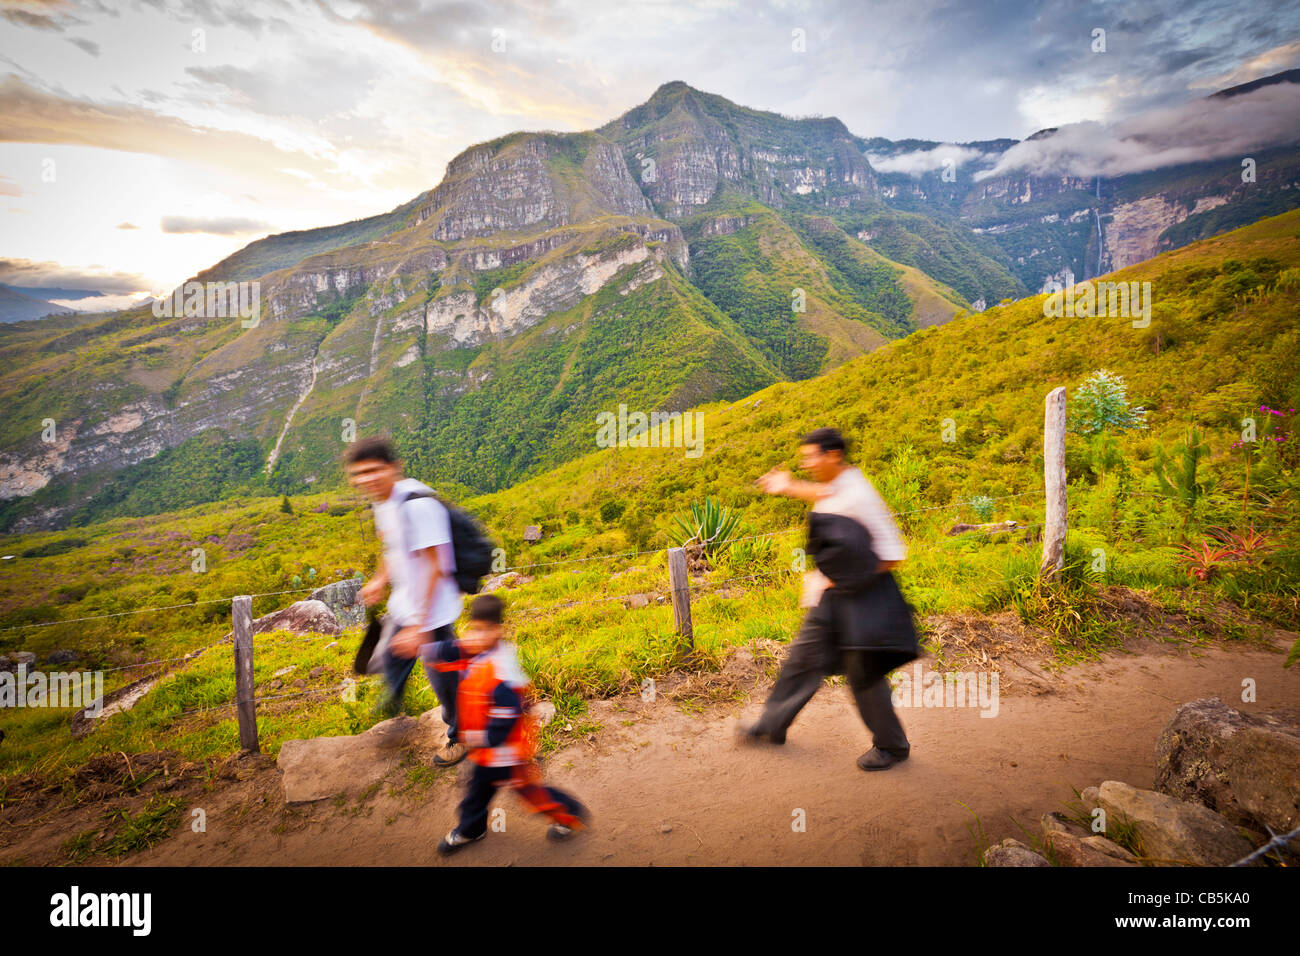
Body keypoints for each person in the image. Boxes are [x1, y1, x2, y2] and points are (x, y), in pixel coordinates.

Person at [738, 427, 920, 771]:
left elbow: (893, 553)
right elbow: (824, 493)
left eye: (811, 457)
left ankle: (892, 747)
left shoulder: (861, 494)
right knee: (802, 658)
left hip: (861, 599)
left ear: (833, 455)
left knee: (862, 673)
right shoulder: (840, 484)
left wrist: (847, 579)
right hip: (830, 595)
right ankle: (772, 725)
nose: (806, 464)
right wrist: (789, 487)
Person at [403, 594, 590, 855]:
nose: (476, 636)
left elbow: (507, 717)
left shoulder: (503, 671)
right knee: (476, 792)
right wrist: (422, 648)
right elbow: (453, 650)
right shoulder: (479, 648)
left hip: (511, 754)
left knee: (531, 795)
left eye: (484, 630)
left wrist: (480, 739)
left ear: (498, 631)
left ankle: (569, 813)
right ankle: (471, 829)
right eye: (474, 629)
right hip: (486, 755)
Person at [345, 437, 466, 767]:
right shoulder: (382, 502)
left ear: (393, 468)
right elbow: (392, 548)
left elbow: (438, 565)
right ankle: (395, 713)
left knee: (444, 680)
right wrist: (380, 580)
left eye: (374, 470)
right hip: (404, 604)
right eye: (360, 474)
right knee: (392, 661)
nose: (367, 479)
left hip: (432, 613)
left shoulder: (417, 504)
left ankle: (461, 735)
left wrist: (418, 626)